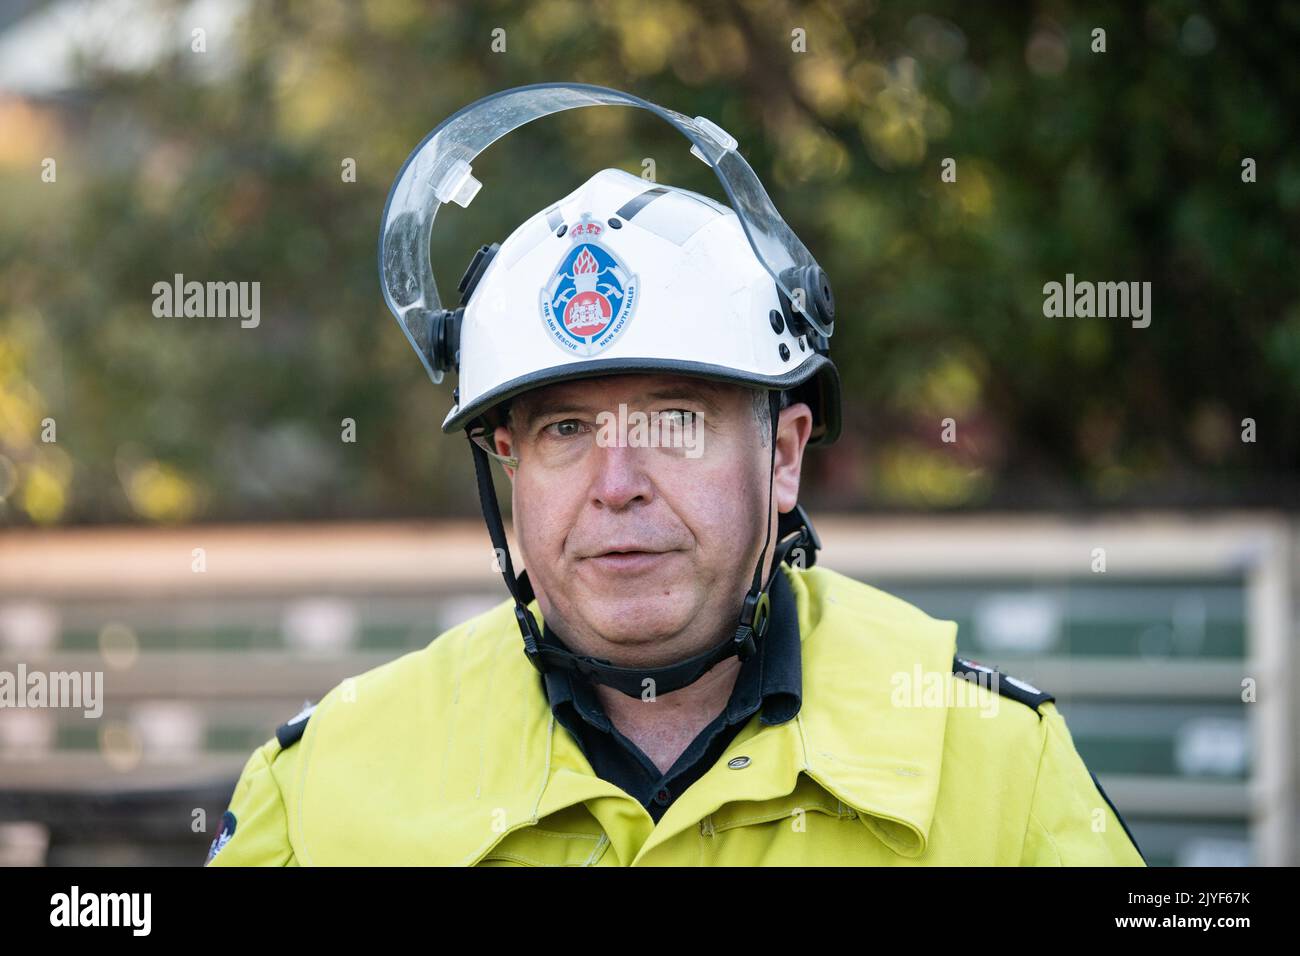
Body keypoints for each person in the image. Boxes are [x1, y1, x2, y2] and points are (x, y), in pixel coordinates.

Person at [207, 85, 1144, 867]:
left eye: (674, 420)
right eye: (566, 429)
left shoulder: (994, 765)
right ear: (510, 466)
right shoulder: (322, 791)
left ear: (783, 455)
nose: (616, 484)